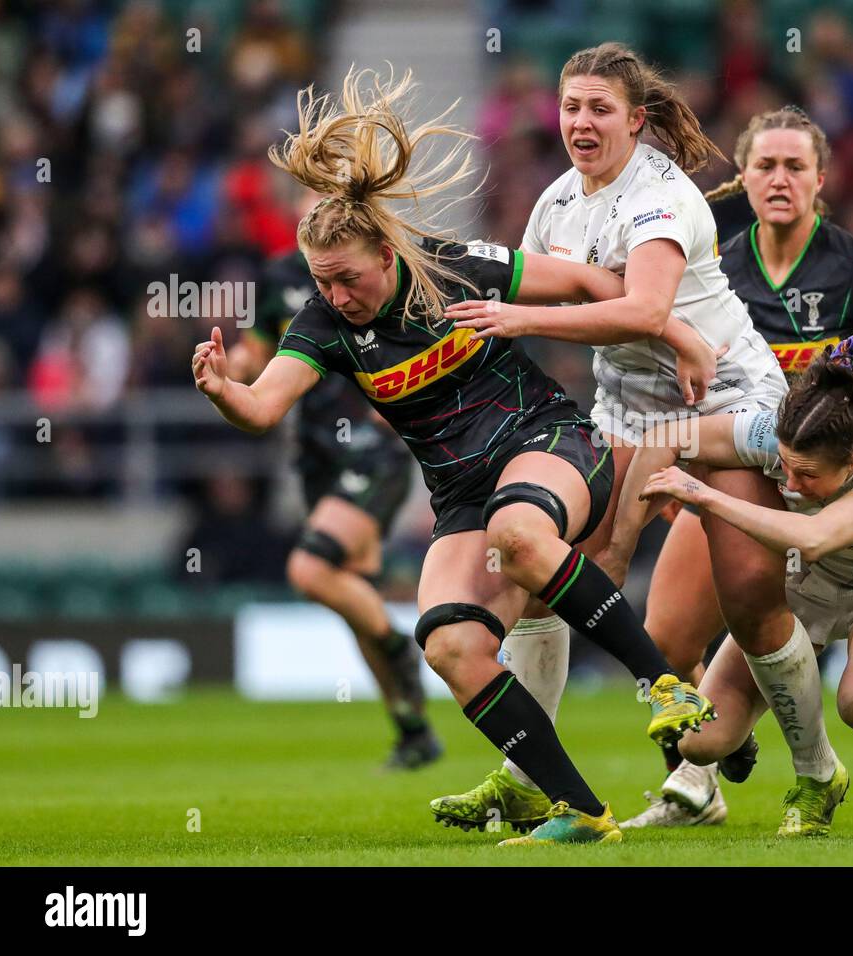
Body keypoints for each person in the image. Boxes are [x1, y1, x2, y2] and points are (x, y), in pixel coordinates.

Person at [192, 65, 716, 846]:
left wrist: (672, 328)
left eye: (344, 279)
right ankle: (580, 810)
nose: (333, 295)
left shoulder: (448, 265)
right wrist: (223, 392)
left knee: (519, 536)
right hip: (461, 492)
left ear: (384, 251)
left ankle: (666, 687)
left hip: (549, 441)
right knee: (448, 642)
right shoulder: (324, 326)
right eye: (319, 282)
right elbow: (263, 405)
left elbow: (578, 282)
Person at [433, 43, 815, 832]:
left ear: (636, 120)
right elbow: (576, 286)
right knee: (544, 572)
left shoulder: (660, 197)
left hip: (725, 414)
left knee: (744, 611)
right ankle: (528, 778)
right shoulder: (558, 202)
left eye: (599, 108)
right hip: (627, 423)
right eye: (571, 107)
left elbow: (634, 307)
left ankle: (812, 773)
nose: (580, 121)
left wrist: (533, 317)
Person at [623, 105, 853, 827]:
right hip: (743, 474)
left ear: (820, 179)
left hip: (830, 495)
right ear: (743, 177)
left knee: (779, 625)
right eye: (765, 165)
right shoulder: (712, 268)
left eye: (794, 166)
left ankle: (799, 768)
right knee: (667, 639)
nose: (779, 178)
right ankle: (699, 781)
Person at [608, 327, 853, 837]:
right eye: (786, 466)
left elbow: (816, 537)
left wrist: (705, 495)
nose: (791, 482)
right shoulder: (774, 434)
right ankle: (752, 727)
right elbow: (665, 438)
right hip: (807, 588)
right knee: (699, 743)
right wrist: (618, 548)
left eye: (806, 476)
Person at [229, 229, 437, 771]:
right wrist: (227, 373)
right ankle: (412, 728)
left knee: (311, 567)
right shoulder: (278, 276)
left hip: (373, 445)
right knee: (355, 593)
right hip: (315, 451)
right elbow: (256, 353)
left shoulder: (382, 265)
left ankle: (398, 645)